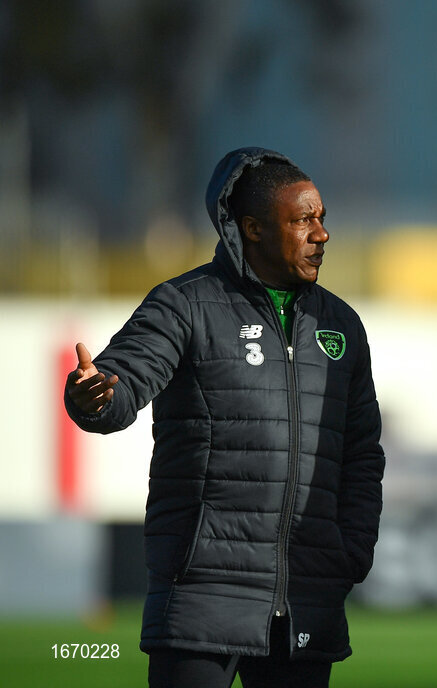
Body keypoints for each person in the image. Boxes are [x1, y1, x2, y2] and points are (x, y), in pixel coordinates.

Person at [64, 147, 385, 688]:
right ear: (252, 229)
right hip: (201, 594)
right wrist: (94, 398)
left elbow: (362, 454)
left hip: (308, 600)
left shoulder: (342, 324)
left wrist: (349, 552)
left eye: (322, 218)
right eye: (303, 220)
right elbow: (123, 380)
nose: (322, 234)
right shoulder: (184, 303)